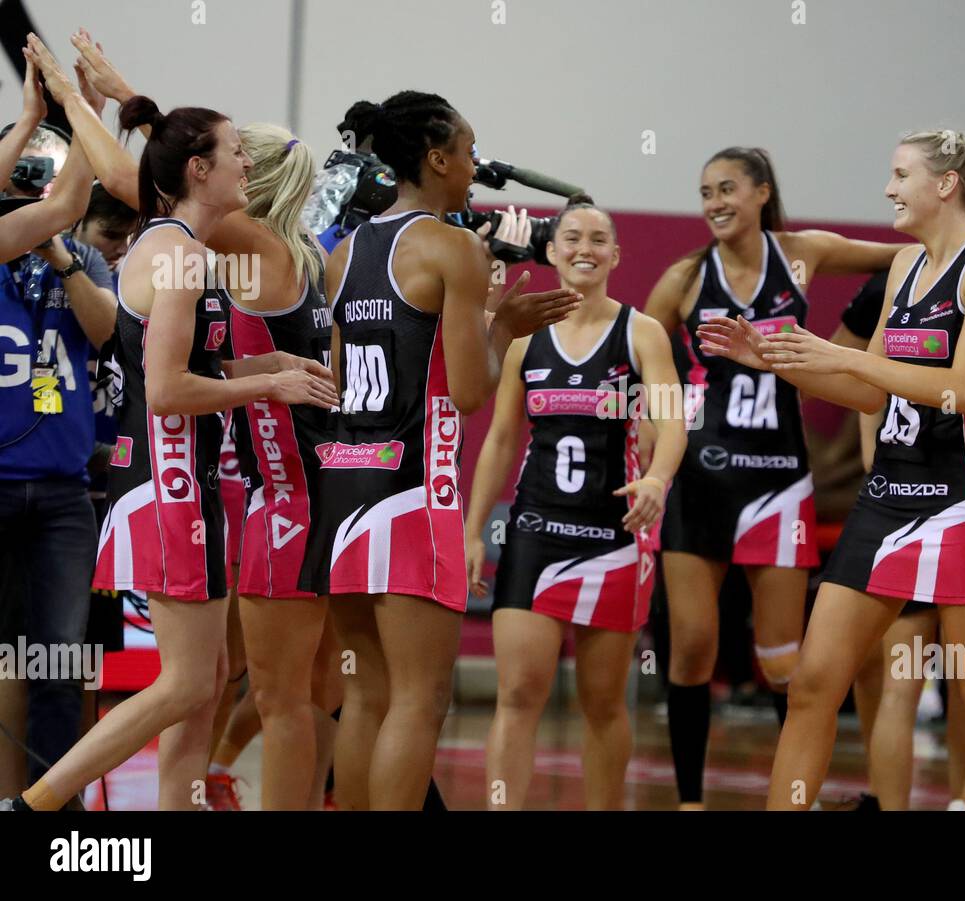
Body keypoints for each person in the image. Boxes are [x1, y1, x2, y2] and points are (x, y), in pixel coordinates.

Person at [4, 39, 338, 812]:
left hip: (193, 484)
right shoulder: (182, 253)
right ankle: (37, 803)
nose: (245, 168)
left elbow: (202, 367)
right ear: (201, 170)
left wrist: (269, 372)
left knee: (204, 685)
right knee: (190, 681)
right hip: (170, 479)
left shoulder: (192, 249)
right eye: (233, 156)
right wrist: (83, 100)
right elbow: (163, 392)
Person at [699, 130, 965, 810]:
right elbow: (872, 394)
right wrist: (780, 360)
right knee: (815, 682)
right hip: (888, 498)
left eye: (901, 174)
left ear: (946, 185)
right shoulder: (905, 270)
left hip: (964, 498)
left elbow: (963, 389)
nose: (888, 188)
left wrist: (836, 353)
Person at [299, 90, 580, 810]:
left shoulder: (347, 251)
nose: (474, 165)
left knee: (366, 696)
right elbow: (469, 392)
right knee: (421, 700)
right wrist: (502, 326)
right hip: (410, 492)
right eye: (469, 149)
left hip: (343, 487)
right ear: (436, 156)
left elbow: (335, 383)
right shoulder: (453, 247)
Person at [644, 146, 905, 809]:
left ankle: (798, 793)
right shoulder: (683, 277)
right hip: (700, 478)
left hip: (779, 478)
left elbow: (901, 256)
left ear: (762, 191)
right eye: (705, 192)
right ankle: (690, 799)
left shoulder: (801, 252)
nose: (714, 202)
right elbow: (648, 371)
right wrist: (658, 454)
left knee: (785, 658)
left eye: (727, 187)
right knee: (694, 647)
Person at [466, 202, 687, 809]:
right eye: (571, 237)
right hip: (534, 532)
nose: (584, 247)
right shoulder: (525, 337)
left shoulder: (641, 334)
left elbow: (673, 424)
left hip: (611, 536)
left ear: (615, 255)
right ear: (553, 250)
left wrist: (658, 480)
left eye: (598, 239)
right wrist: (472, 532)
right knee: (517, 695)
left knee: (602, 702)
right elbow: (501, 440)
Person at [0, 46, 112, 801]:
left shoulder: (80, 258)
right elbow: (67, 195)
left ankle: (51, 807)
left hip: (66, 495)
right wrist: (45, 113)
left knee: (60, 663)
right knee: (6, 661)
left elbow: (107, 335)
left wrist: (65, 259)